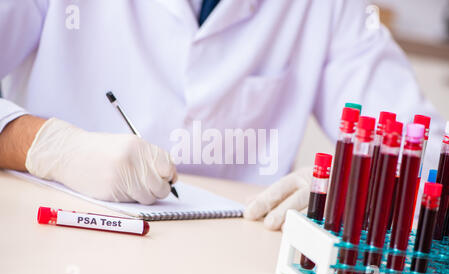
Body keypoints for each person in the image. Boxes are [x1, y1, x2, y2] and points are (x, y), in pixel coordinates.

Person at [0, 0, 445, 230]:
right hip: (57, 229)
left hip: (231, 273)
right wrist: (47, 146)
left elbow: (427, 148)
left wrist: (362, 187)